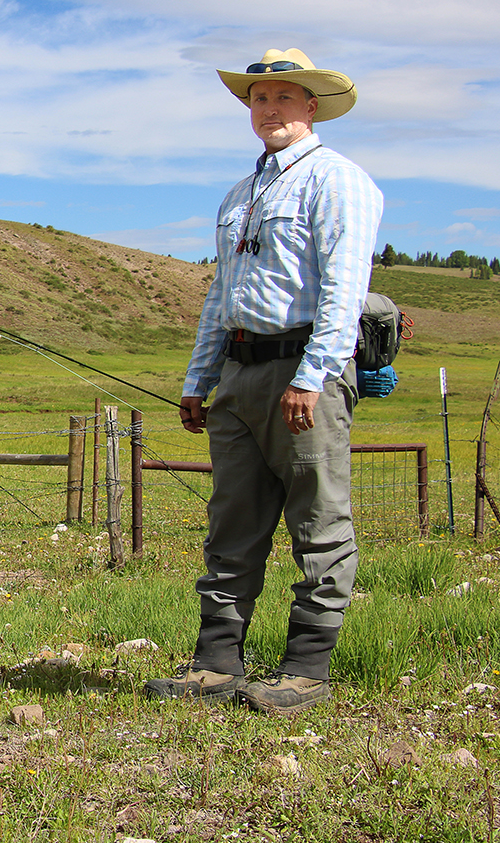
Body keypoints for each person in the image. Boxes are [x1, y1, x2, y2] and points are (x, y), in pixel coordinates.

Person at [145, 48, 382, 715]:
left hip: (305, 368)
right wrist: (199, 379)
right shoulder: (239, 195)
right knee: (232, 522)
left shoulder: (338, 180)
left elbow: (343, 291)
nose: (269, 109)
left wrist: (312, 378)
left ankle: (307, 669)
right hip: (240, 374)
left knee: (318, 518)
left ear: (311, 106)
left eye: (283, 97)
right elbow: (222, 294)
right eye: (258, 99)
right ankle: (216, 664)